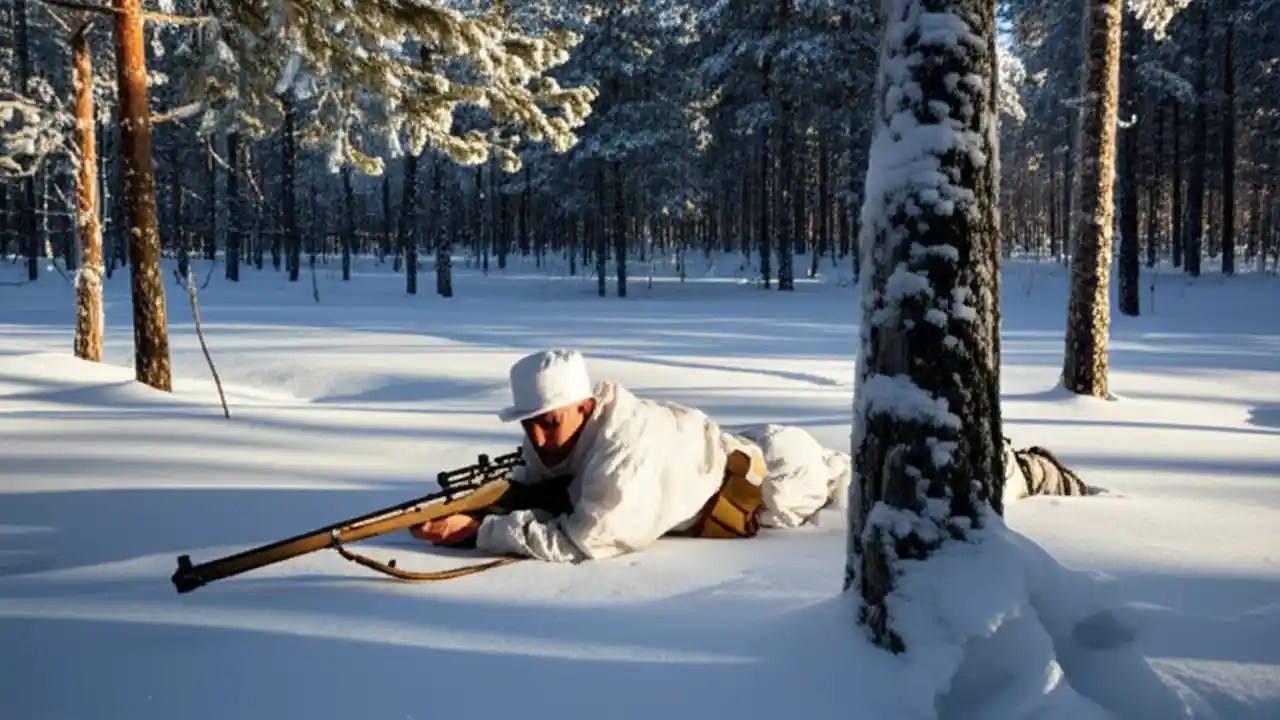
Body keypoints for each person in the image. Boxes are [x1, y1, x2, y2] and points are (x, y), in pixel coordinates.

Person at [411, 348, 850, 562]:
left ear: (585, 407)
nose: (539, 438)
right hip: (727, 447)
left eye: (549, 423)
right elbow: (530, 477)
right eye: (529, 424)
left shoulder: (624, 449)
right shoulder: (564, 423)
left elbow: (585, 540)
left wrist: (478, 532)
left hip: (774, 481)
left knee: (844, 479)